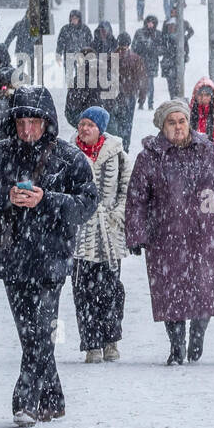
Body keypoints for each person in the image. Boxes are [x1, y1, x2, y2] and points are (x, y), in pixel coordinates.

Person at [0, 85, 98, 427]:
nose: (27, 130)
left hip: (52, 258)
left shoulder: (69, 158)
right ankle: (54, 399)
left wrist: (47, 199)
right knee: (30, 333)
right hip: (11, 257)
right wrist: (5, 195)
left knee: (40, 331)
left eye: (34, 122)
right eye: (21, 122)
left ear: (47, 122)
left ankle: (25, 402)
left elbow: (86, 205)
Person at [125, 100, 214, 365]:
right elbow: (137, 199)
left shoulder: (208, 151)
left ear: (189, 122)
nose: (178, 127)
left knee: (205, 287)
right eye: (171, 122)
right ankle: (176, 345)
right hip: (165, 237)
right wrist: (136, 233)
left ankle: (197, 334)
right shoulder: (149, 157)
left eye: (182, 121)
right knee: (169, 291)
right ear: (162, 126)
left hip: (205, 235)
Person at [70, 106, 130, 364]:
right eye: (82, 124)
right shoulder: (69, 154)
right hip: (79, 237)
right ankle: (91, 343)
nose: (85, 129)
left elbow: (128, 190)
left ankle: (110, 340)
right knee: (83, 291)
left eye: (90, 125)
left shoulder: (118, 155)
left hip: (109, 237)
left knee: (111, 290)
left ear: (101, 129)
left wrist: (117, 214)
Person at [109, 33, 144, 149]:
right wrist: (142, 95)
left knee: (116, 123)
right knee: (127, 123)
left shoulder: (111, 57)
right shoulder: (135, 58)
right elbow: (141, 78)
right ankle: (125, 146)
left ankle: (118, 146)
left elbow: (105, 78)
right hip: (129, 96)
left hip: (114, 96)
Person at [132, 15, 163, 109]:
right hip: (140, 62)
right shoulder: (139, 33)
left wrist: (153, 50)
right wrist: (141, 50)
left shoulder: (158, 34)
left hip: (152, 63)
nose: (150, 24)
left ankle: (150, 103)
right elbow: (134, 47)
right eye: (149, 22)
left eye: (152, 22)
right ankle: (141, 103)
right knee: (140, 84)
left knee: (150, 84)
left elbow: (162, 48)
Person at [159, 17, 189, 101]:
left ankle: (176, 99)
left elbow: (186, 50)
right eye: (170, 26)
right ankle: (173, 99)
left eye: (173, 26)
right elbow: (161, 50)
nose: (171, 28)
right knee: (171, 85)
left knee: (177, 84)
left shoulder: (181, 38)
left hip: (177, 65)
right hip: (169, 65)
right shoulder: (165, 38)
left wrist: (184, 57)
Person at [2, 14, 35, 79]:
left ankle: (24, 84)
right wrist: (5, 46)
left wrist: (5, 46)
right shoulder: (21, 24)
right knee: (28, 71)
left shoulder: (23, 25)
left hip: (22, 51)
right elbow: (10, 36)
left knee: (25, 71)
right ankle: (27, 84)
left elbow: (10, 36)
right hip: (26, 51)